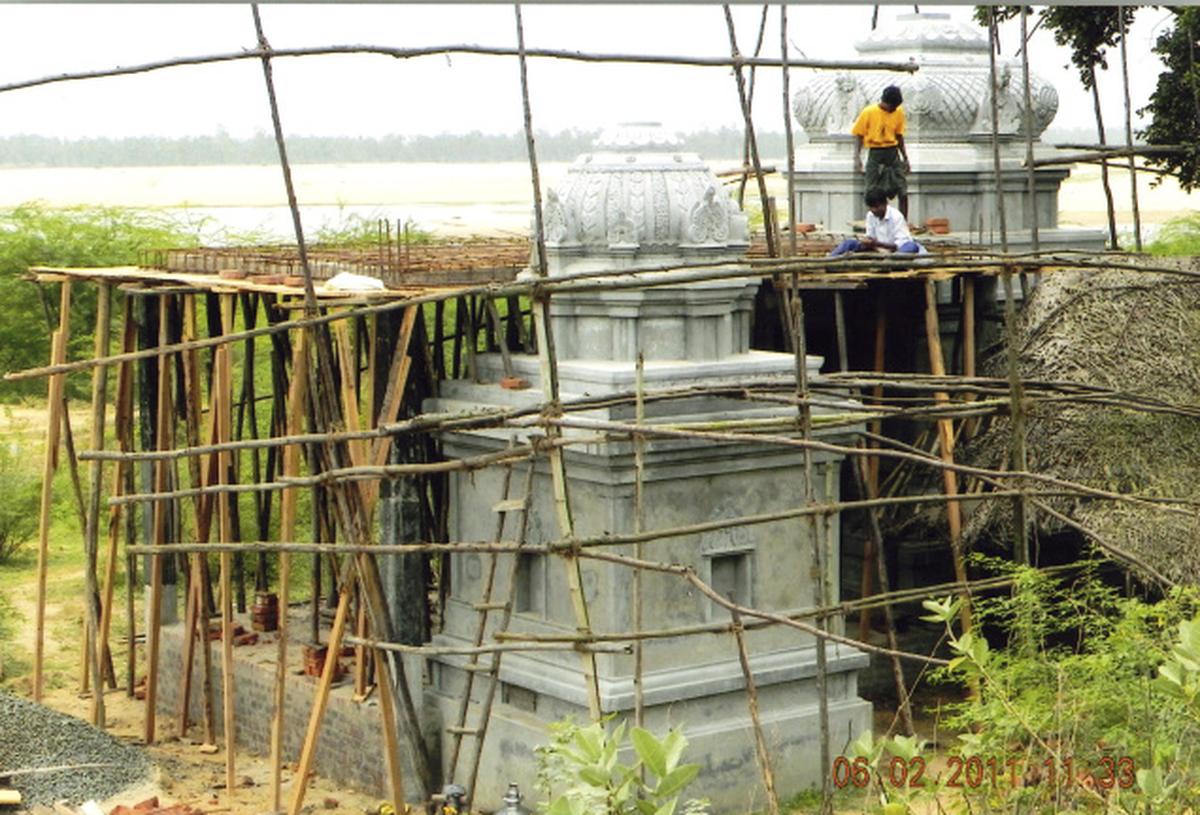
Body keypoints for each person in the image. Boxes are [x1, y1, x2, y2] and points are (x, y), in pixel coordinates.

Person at [851, 85, 912, 217]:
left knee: (902, 190)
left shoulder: (898, 112)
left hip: (892, 153)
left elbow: (899, 136)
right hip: (875, 153)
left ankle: (902, 222)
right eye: (892, 106)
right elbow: (859, 135)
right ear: (886, 103)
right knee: (872, 191)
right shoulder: (869, 112)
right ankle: (875, 221)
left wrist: (905, 158)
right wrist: (857, 158)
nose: (894, 109)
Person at [829, 188, 926, 257]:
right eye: (871, 207)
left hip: (895, 251)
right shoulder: (870, 215)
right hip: (876, 249)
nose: (874, 210)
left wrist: (878, 244)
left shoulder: (896, 216)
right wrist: (867, 242)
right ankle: (830, 259)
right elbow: (870, 236)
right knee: (849, 243)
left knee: (911, 246)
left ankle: (891, 263)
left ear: (885, 204)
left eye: (877, 207)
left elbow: (900, 244)